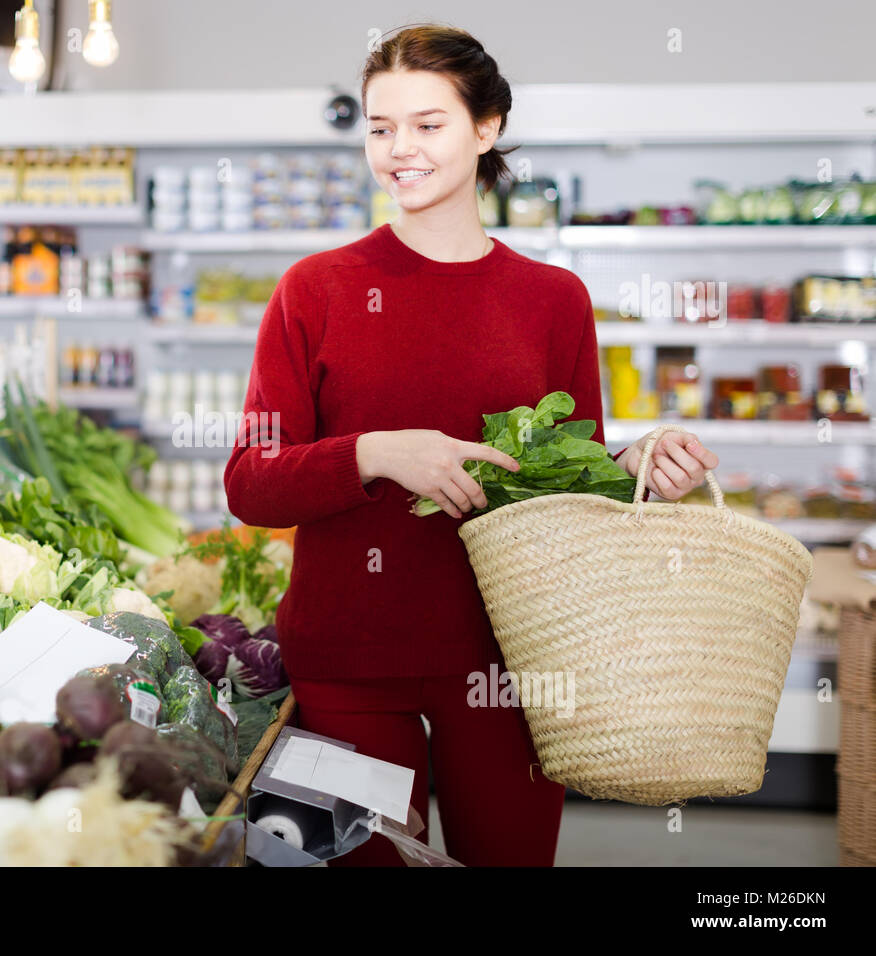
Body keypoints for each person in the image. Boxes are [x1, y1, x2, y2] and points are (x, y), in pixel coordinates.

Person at [223, 23, 720, 867]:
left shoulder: (553, 299)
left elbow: (575, 485)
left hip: (513, 661)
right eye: (380, 128)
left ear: (486, 128)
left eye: (427, 124)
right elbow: (251, 483)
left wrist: (635, 464)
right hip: (349, 663)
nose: (397, 150)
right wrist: (377, 452)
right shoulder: (317, 289)